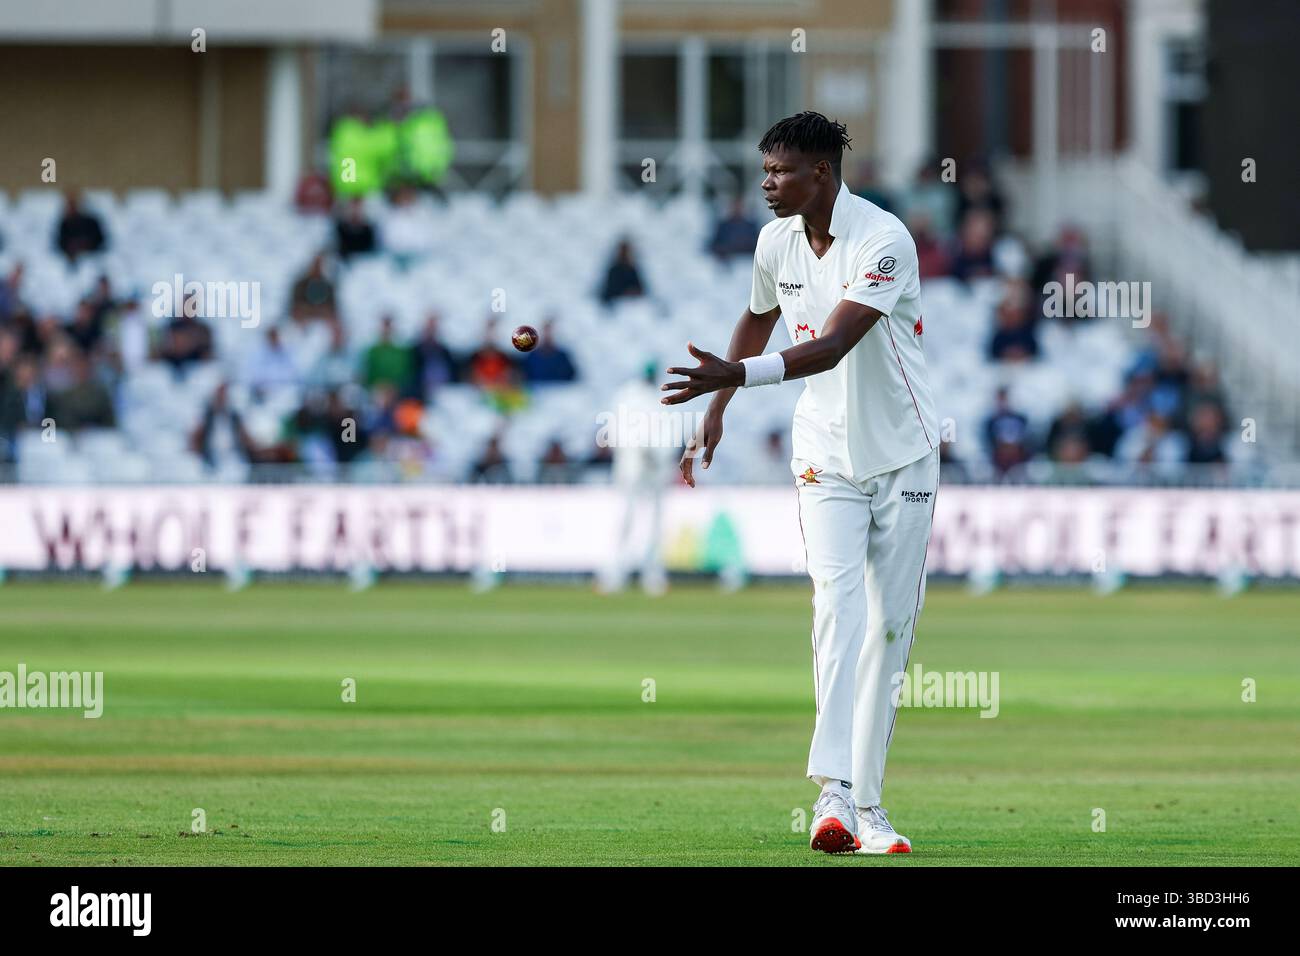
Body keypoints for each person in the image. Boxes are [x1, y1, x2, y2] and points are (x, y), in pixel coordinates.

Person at [660, 111, 938, 855]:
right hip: (825, 455)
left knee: (888, 628)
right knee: (837, 608)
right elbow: (757, 319)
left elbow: (837, 344)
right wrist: (716, 409)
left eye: (780, 172)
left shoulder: (883, 239)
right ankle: (835, 798)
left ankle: (872, 807)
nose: (767, 184)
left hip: (905, 454)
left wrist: (740, 378)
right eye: (764, 171)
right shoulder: (773, 241)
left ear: (821, 173)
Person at [56, 191, 106, 262]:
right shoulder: (65, 224)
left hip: (93, 258)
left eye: (73, 205)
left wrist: (85, 246)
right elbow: (60, 244)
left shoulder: (91, 222)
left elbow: (100, 241)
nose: (71, 209)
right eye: (69, 206)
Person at [708, 197, 760, 261]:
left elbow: (758, 245)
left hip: (748, 262)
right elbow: (714, 245)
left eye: (739, 207)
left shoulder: (751, 226)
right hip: (728, 263)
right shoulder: (723, 226)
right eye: (735, 207)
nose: (737, 209)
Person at [598, 239, 646, 305]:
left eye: (627, 252)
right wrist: (624, 293)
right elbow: (609, 292)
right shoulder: (614, 270)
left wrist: (634, 292)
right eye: (623, 252)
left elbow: (641, 289)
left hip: (633, 306)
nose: (625, 255)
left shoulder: (632, 270)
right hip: (616, 306)